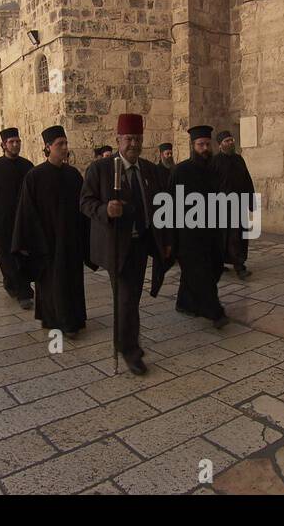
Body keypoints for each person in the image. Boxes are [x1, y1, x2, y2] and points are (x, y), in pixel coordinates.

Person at [80, 113, 172, 376]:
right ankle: (130, 350)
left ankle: (126, 342)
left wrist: (165, 242)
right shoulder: (101, 169)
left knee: (132, 296)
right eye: (128, 138)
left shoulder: (151, 170)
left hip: (141, 244)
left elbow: (161, 208)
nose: (133, 143)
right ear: (118, 139)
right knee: (126, 298)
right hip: (116, 246)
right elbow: (85, 203)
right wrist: (105, 209)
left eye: (138, 138)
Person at [12, 125, 87, 336]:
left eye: (66, 143)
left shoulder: (73, 175)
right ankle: (56, 320)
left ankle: (73, 319)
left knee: (71, 280)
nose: (64, 148)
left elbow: (82, 207)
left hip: (71, 240)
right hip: (46, 242)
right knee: (52, 282)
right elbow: (26, 211)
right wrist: (32, 243)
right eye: (59, 144)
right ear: (48, 147)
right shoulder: (35, 176)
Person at [170, 125, 228, 328]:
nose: (204, 148)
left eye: (207, 144)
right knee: (200, 272)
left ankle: (185, 303)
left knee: (214, 267)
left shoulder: (214, 169)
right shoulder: (181, 171)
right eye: (200, 144)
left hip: (212, 231)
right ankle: (214, 311)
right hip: (189, 234)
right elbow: (171, 204)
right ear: (193, 146)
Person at [0, 128, 35, 308]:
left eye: (18, 141)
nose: (16, 144)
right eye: (12, 142)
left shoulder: (28, 166)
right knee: (7, 259)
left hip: (24, 221)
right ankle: (18, 290)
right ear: (3, 145)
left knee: (22, 257)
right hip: (1, 223)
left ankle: (21, 289)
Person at [211, 130, 255, 279]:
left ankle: (237, 264)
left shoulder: (239, 159)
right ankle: (231, 265)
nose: (230, 143)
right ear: (220, 145)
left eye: (231, 140)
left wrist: (251, 202)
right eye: (227, 141)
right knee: (225, 238)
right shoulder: (215, 162)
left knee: (239, 237)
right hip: (221, 207)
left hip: (239, 205)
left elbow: (247, 180)